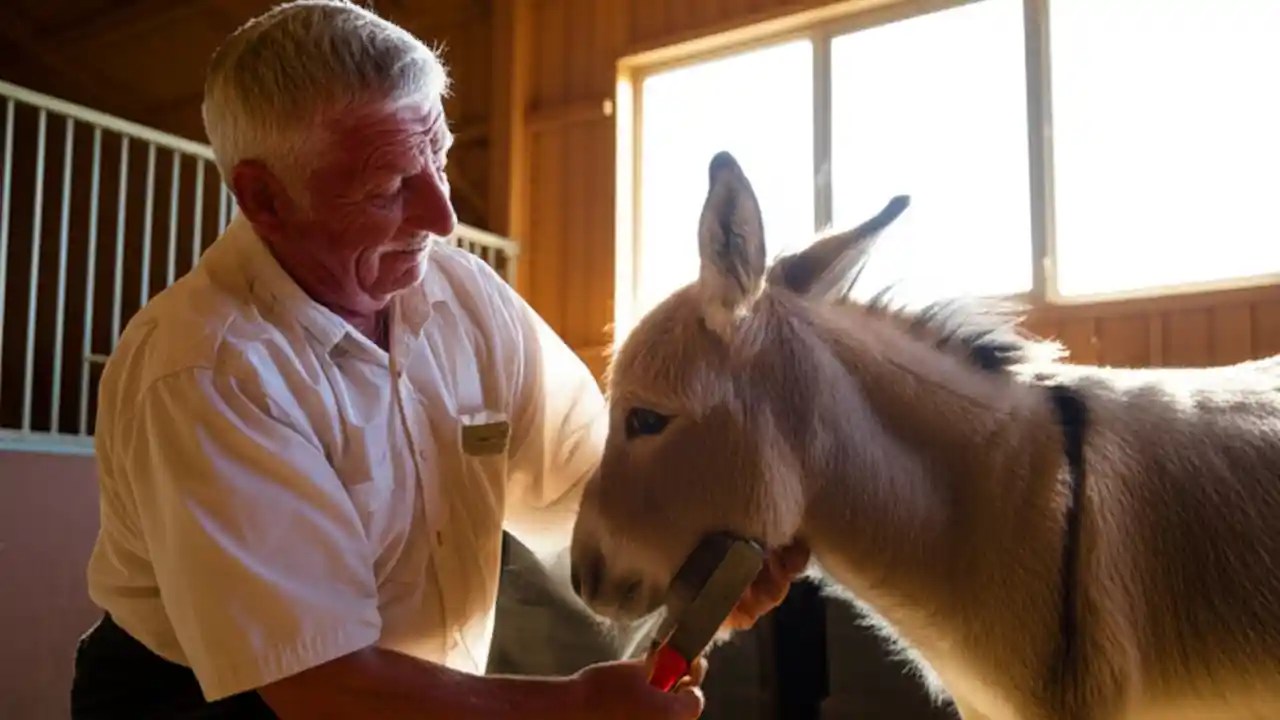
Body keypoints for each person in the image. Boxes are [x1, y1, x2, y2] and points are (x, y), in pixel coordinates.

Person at [68, 2, 809, 718]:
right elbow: (319, 687)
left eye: (440, 160)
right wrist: (574, 710)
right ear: (264, 198)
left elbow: (584, 479)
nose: (444, 216)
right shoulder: (209, 370)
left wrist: (694, 556)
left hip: (405, 694)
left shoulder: (463, 296)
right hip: (219, 704)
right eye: (391, 186)